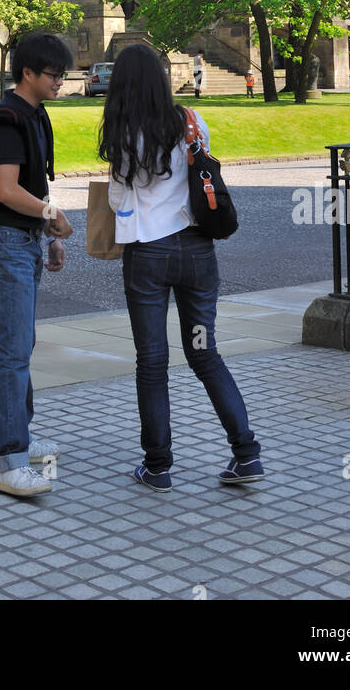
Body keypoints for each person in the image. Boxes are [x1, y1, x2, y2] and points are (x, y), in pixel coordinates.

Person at [99, 43, 263, 493]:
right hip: (197, 251)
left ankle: (158, 465)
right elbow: (202, 174)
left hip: (148, 254)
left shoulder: (126, 131)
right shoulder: (192, 121)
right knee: (205, 352)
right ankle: (246, 453)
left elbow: (117, 200)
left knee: (152, 361)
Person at [0, 32, 74, 498]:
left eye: (63, 75)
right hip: (4, 241)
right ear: (27, 72)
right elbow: (6, 191)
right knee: (10, 350)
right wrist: (51, 215)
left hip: (24, 239)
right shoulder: (8, 122)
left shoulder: (36, 117)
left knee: (21, 344)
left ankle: (19, 440)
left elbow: (35, 185)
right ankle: (7, 460)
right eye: (54, 75)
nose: (61, 83)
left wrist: (49, 235)